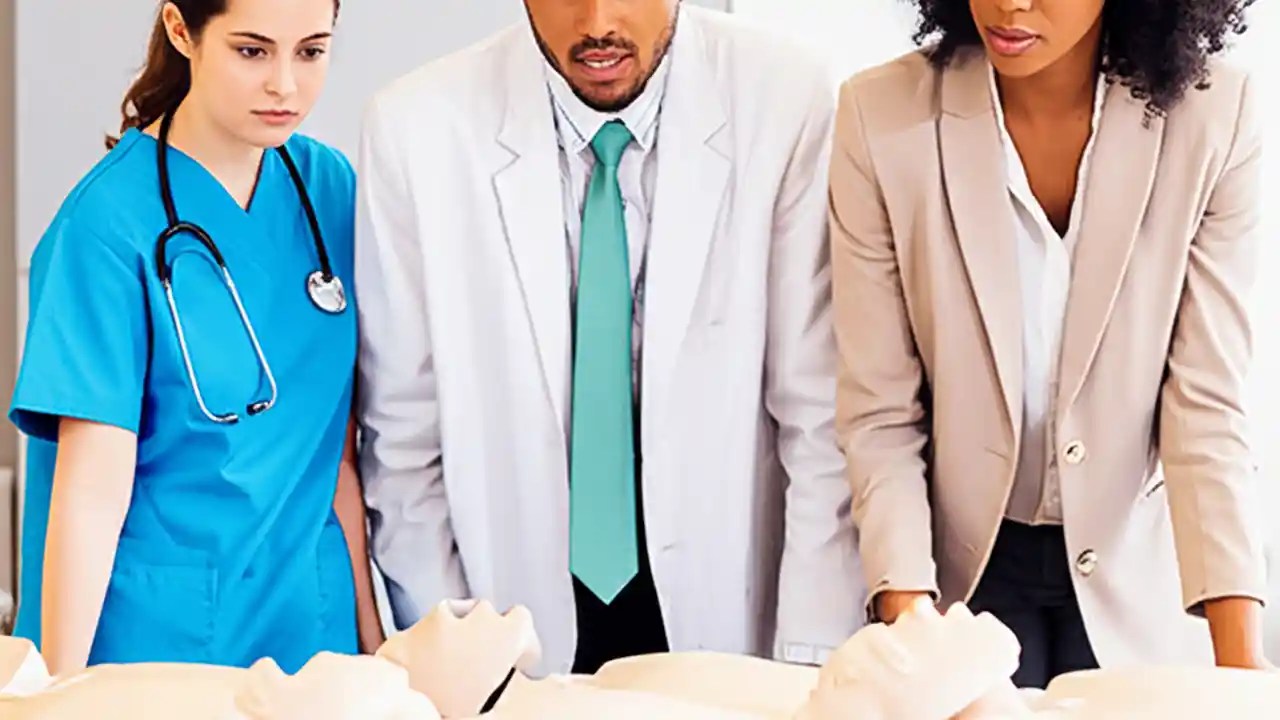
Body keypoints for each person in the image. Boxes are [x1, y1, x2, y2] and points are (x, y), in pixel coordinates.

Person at [355, 0, 864, 675]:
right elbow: (402, 440)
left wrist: (808, 659)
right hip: (511, 613)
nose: (597, 22)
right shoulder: (416, 126)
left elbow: (818, 412)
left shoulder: (785, 96)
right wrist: (456, 658)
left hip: (730, 601)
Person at [830, 0, 1268, 689]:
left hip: (1137, 572)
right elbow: (880, 412)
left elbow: (1206, 406)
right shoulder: (878, 117)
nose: (1011, 3)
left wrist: (1243, 670)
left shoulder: (1217, 116)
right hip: (961, 575)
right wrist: (912, 628)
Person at [7, 0, 382, 674]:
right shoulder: (107, 224)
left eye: (311, 51)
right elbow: (91, 491)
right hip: (158, 642)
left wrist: (378, 646)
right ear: (183, 30)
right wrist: (55, 693)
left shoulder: (330, 190)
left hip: (312, 639)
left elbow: (339, 456)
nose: (285, 86)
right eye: (251, 51)